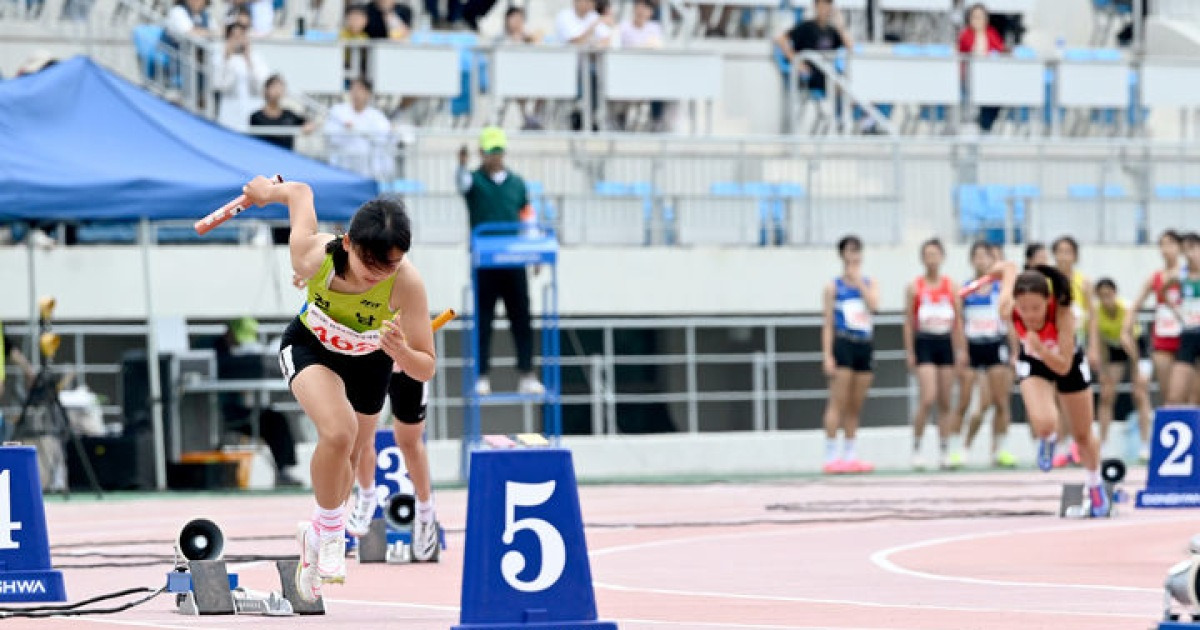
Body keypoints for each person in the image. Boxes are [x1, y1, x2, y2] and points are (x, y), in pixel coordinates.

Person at [240, 175, 436, 602]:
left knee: (350, 456)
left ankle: (315, 536)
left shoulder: (407, 284)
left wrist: (401, 351)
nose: (380, 277)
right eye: (373, 266)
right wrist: (263, 193)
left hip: (371, 364)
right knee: (338, 431)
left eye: (392, 265)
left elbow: (426, 368)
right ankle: (330, 535)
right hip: (311, 347)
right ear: (348, 243)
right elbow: (301, 192)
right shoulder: (312, 255)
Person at [990, 260, 1108, 516]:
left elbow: (1063, 367)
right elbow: (1007, 273)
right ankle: (1049, 436)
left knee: (1082, 434)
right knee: (1043, 423)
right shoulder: (1008, 309)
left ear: (1048, 301)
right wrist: (1004, 269)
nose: (1030, 315)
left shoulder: (1064, 313)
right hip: (1034, 363)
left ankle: (1096, 485)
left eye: (1036, 308)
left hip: (1066, 362)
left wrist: (1042, 347)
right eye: (1024, 309)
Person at [457, 127, 544, 397]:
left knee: (521, 318)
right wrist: (460, 164)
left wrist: (535, 251)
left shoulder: (517, 183)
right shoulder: (474, 180)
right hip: (485, 262)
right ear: (482, 153)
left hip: (513, 258)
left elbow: (527, 216)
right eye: (490, 151)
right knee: (484, 320)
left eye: (498, 150)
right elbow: (462, 183)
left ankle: (527, 373)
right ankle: (481, 375)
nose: (495, 156)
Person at [214, 318, 302, 487]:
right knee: (273, 421)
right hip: (227, 414)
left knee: (276, 418)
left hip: (245, 410)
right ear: (228, 333)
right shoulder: (219, 355)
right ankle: (283, 471)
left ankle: (284, 470)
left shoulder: (242, 357)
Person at [904, 238, 965, 469]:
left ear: (942, 257)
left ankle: (944, 450)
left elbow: (958, 321)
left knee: (945, 401)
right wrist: (910, 351)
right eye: (927, 254)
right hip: (925, 342)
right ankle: (917, 448)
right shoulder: (915, 286)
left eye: (935, 254)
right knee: (927, 397)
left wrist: (961, 350)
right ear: (922, 258)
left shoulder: (951, 286)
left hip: (945, 342)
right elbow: (908, 321)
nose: (932, 259)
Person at [819, 235, 877, 474]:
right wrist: (828, 355)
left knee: (855, 404)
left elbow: (874, 306)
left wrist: (860, 284)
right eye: (849, 251)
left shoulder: (870, 283)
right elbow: (827, 323)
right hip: (844, 343)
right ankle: (831, 454)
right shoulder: (833, 287)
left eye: (857, 251)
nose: (853, 256)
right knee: (838, 402)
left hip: (864, 343)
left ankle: (851, 453)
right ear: (842, 255)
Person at [955, 241, 1015, 467]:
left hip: (996, 344)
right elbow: (958, 320)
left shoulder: (1003, 288)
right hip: (973, 347)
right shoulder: (966, 288)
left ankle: (999, 449)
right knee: (972, 402)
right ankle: (961, 446)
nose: (984, 261)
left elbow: (1009, 321)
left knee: (1001, 401)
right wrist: (961, 350)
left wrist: (1015, 351)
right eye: (978, 256)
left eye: (988, 256)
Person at [1091, 278, 1153, 459]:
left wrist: (1136, 371)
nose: (1106, 299)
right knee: (1106, 394)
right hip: (1114, 348)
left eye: (1109, 294)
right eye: (1102, 296)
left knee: (1140, 393)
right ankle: (1102, 444)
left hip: (1136, 347)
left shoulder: (1126, 308)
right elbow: (1100, 344)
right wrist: (1103, 372)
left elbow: (1128, 340)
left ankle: (1145, 444)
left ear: (1115, 293)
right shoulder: (1097, 313)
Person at [1129, 230, 1186, 406]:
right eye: (1162, 244)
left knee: (1191, 395)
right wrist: (1128, 324)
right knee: (1168, 394)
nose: (1165, 249)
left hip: (1188, 338)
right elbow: (1136, 305)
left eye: (1170, 244)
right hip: (1163, 340)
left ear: (1180, 247)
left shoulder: (1189, 275)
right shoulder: (1155, 277)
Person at [1051, 235, 1092, 468]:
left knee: (1078, 395)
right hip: (1055, 348)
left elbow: (1092, 318)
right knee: (1057, 395)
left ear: (1075, 255)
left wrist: (1094, 347)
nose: (1064, 256)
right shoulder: (1048, 282)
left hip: (1078, 346)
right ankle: (1060, 443)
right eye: (1059, 251)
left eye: (1068, 251)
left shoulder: (1083, 283)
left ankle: (1077, 444)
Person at [774, 0, 852, 98]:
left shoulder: (832, 30)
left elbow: (850, 46)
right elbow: (780, 39)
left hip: (828, 72)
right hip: (812, 74)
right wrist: (796, 61)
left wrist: (841, 25)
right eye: (822, 6)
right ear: (816, 6)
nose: (825, 9)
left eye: (827, 5)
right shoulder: (806, 27)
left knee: (847, 80)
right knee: (840, 86)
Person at [324, 78, 394, 180]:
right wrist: (345, 130)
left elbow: (383, 138)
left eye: (360, 89)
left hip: (367, 170)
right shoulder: (338, 111)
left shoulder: (376, 116)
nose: (356, 93)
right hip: (342, 167)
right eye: (353, 89)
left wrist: (359, 130)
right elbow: (330, 135)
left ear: (368, 93)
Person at [213, 22, 270, 132]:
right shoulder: (220, 58)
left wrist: (249, 61)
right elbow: (220, 85)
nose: (238, 41)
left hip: (253, 108)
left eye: (241, 36)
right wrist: (227, 59)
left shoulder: (256, 58)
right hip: (230, 110)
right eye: (234, 37)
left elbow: (262, 86)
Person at [957, 3, 1005, 133]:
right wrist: (978, 35)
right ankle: (978, 125)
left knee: (998, 96)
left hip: (991, 79)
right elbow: (970, 50)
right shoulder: (966, 34)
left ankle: (985, 126)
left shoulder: (991, 33)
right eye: (975, 17)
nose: (978, 20)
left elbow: (1001, 49)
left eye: (981, 17)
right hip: (969, 79)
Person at [1167, 233, 1200, 406]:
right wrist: (1176, 310)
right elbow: (1164, 292)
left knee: (1197, 397)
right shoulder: (1180, 275)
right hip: (1188, 336)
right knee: (1174, 396)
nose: (1189, 254)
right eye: (1185, 250)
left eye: (1193, 248)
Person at [250, 75, 313, 151]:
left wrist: (308, 126)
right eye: (274, 87)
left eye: (280, 87)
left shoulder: (289, 115)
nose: (277, 91)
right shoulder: (256, 116)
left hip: (286, 158)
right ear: (266, 90)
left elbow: (308, 123)